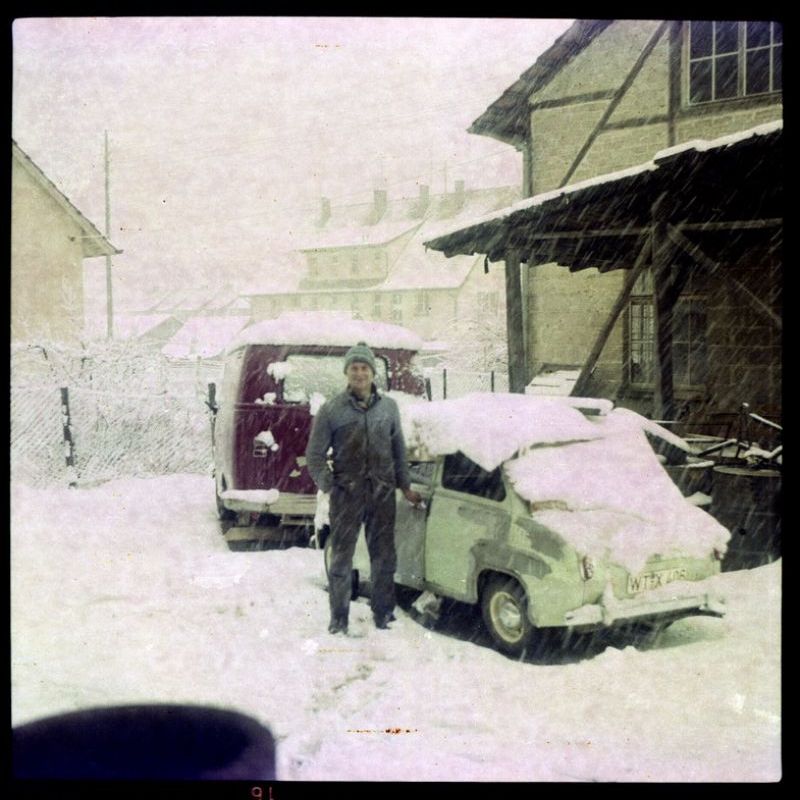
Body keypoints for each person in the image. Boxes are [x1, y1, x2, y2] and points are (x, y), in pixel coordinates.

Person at [306, 341, 422, 634]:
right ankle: (339, 617)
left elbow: (399, 450)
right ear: (347, 373)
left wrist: (405, 486)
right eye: (354, 368)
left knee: (384, 557)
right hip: (347, 495)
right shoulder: (332, 410)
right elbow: (314, 455)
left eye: (365, 368)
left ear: (373, 373)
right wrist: (329, 483)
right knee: (342, 559)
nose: (360, 374)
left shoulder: (389, 408)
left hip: (382, 493)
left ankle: (383, 613)